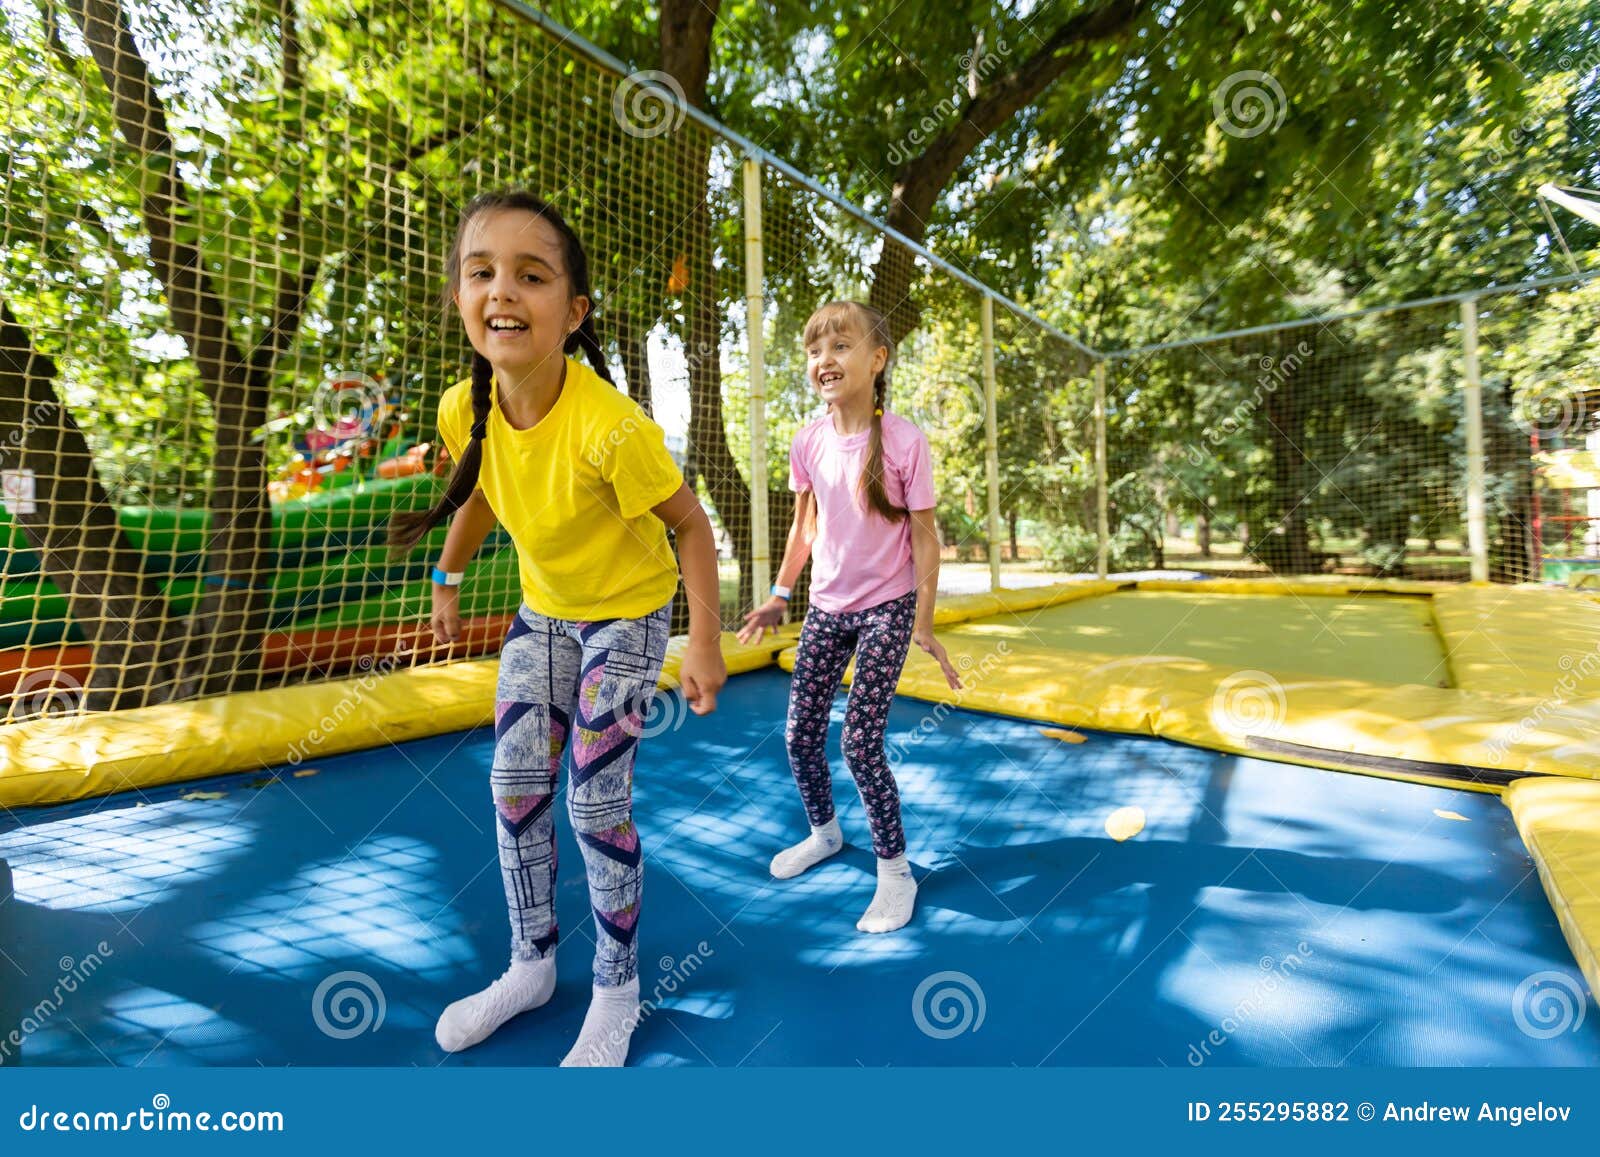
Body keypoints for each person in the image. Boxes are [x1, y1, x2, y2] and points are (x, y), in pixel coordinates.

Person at [388, 190, 726, 1065]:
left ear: (572, 313)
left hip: (628, 609)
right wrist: (447, 576)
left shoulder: (613, 427)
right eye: (482, 271)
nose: (504, 290)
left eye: (531, 276)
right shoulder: (464, 409)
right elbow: (479, 489)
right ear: (459, 298)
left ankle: (617, 986)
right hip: (546, 613)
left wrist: (703, 639)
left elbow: (690, 526)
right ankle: (532, 963)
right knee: (512, 786)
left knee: (593, 798)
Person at [737, 300, 960, 934]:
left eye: (839, 346)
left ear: (877, 359)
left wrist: (923, 619)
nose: (824, 360)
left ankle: (895, 873)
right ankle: (825, 834)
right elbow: (805, 527)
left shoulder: (904, 441)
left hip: (887, 607)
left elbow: (925, 538)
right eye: (814, 350)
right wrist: (781, 592)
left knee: (860, 743)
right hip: (827, 610)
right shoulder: (806, 440)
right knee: (798, 736)